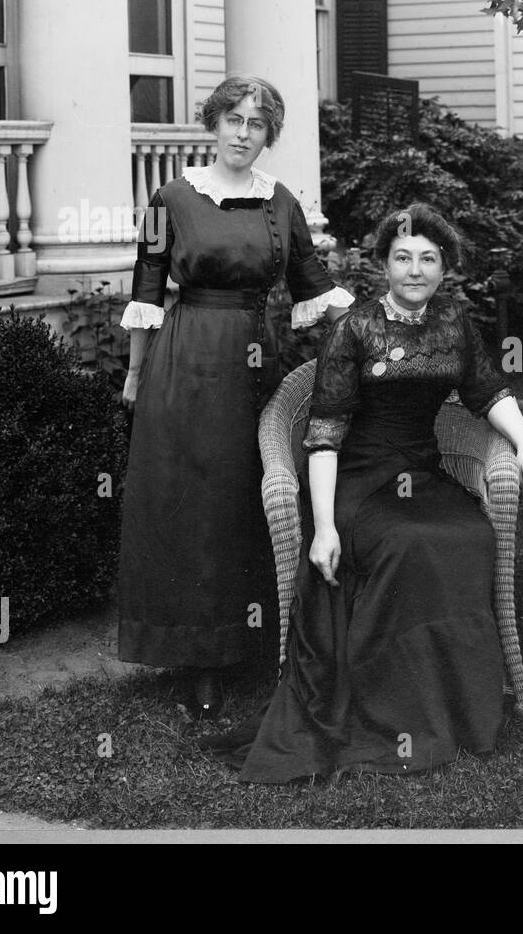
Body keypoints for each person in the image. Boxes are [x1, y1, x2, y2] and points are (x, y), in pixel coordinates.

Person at [204, 204, 523, 782]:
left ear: (445, 269)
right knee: (408, 541)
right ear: (384, 264)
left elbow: (489, 392)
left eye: (428, 259)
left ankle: (459, 711)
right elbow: (324, 432)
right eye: (403, 257)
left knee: (467, 534)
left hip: (421, 473)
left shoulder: (455, 326)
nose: (415, 270)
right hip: (356, 478)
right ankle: (393, 708)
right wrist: (327, 526)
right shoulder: (354, 328)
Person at [118, 75, 354, 717]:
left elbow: (315, 285)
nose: (243, 133)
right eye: (233, 119)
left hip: (258, 362)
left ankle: (254, 641)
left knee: (251, 493)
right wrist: (136, 376)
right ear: (213, 124)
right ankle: (198, 660)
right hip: (185, 360)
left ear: (268, 136)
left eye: (256, 124)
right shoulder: (169, 197)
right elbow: (146, 288)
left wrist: (374, 346)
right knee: (191, 500)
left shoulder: (281, 201)